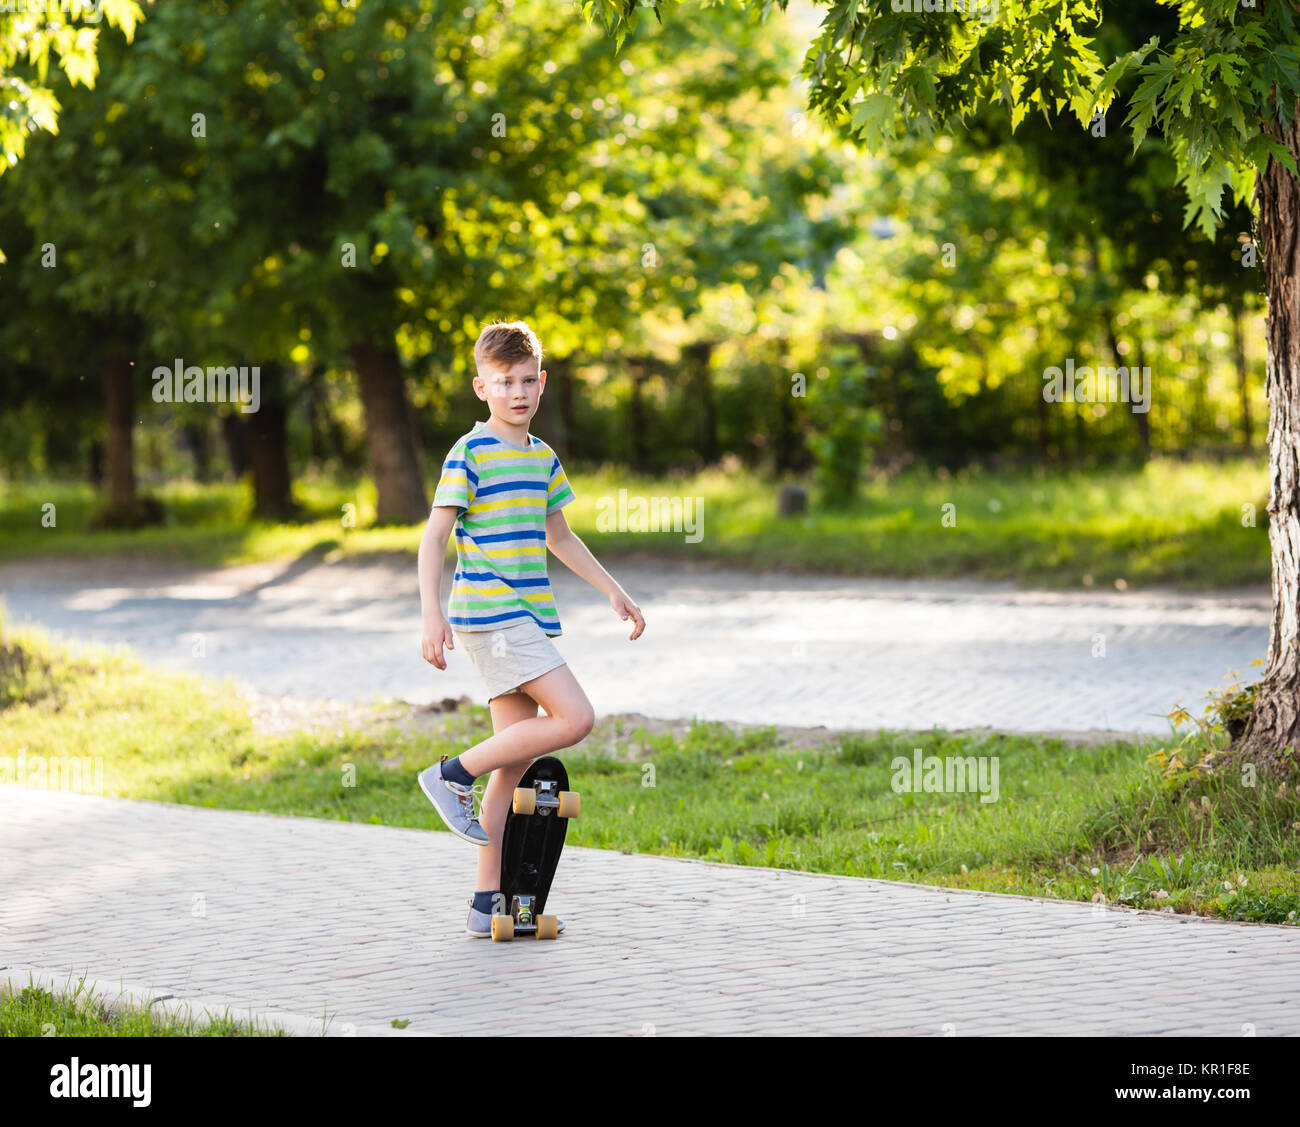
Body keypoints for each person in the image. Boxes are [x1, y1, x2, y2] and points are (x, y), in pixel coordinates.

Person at [416, 319, 646, 937]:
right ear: (480, 388)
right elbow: (435, 535)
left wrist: (612, 590)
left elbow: (559, 535)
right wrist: (430, 612)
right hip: (490, 613)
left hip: (522, 616)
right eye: (502, 382)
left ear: (541, 383)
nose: (516, 392)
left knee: (511, 768)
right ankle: (447, 775)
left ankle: (484, 901)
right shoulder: (470, 453)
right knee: (576, 718)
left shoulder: (541, 457)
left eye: (525, 380)